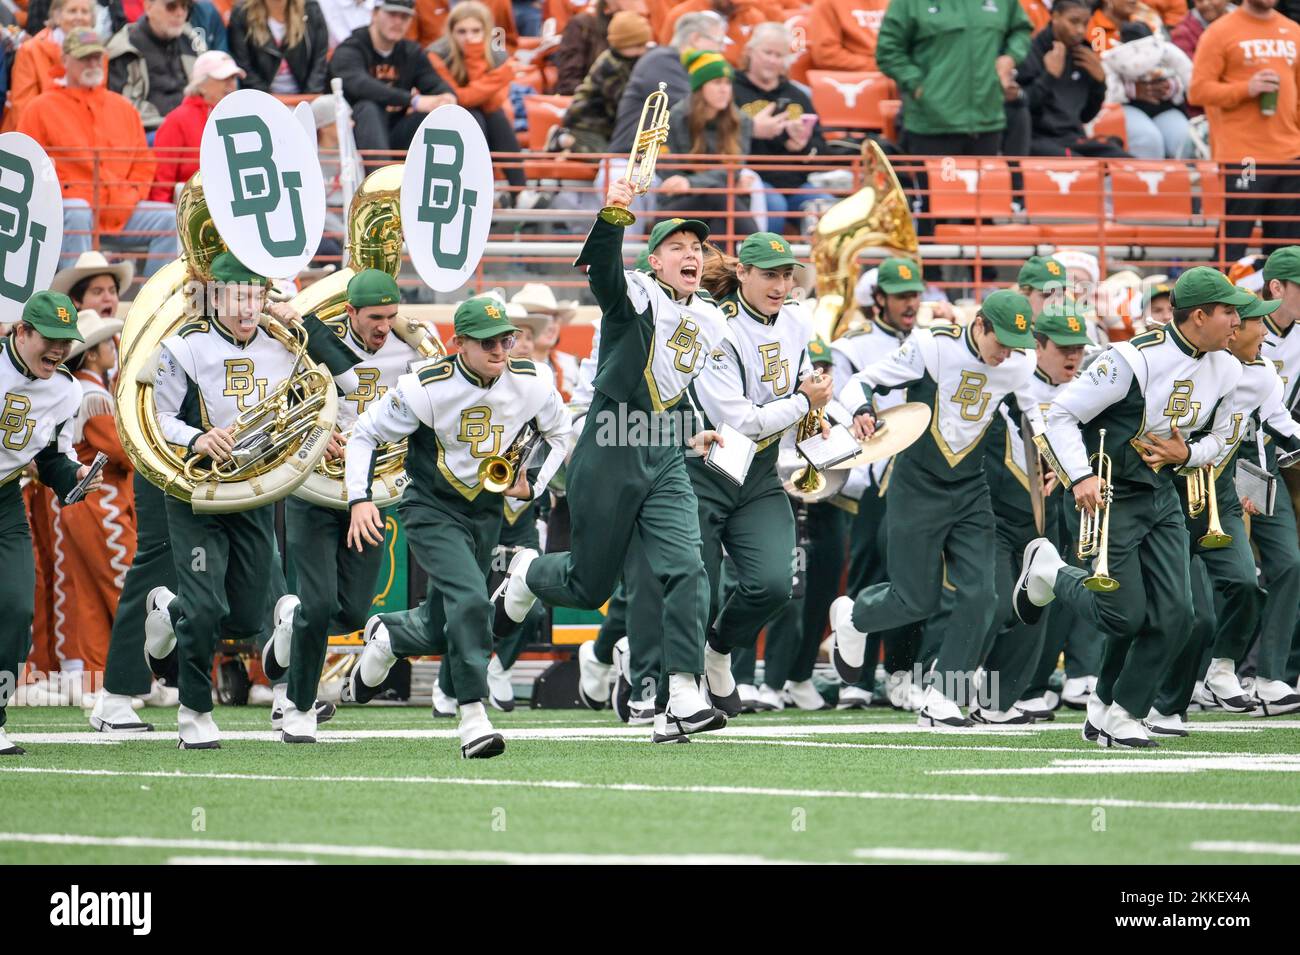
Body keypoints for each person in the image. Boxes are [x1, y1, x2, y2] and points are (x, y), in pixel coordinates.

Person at [492, 185, 732, 743]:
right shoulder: (640, 294)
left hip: (665, 452)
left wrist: (691, 429)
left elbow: (677, 383)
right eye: (677, 245)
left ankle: (684, 692)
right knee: (587, 583)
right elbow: (603, 272)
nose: (691, 253)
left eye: (697, 244)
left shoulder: (713, 319)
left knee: (687, 568)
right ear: (655, 260)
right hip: (609, 444)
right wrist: (614, 212)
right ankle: (526, 574)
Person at [1019, 267, 1247, 748]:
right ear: (1200, 316)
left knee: (1178, 616)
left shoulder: (1226, 366)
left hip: (1164, 493)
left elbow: (1226, 437)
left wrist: (1189, 454)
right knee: (1125, 616)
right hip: (1110, 493)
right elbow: (1060, 414)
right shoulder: (1130, 358)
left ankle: (1120, 713)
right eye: (1228, 311)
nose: (1237, 321)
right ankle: (1048, 570)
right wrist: (1080, 475)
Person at [141, 252, 353, 749]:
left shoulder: (285, 342)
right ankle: (194, 715)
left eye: (255, 296)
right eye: (237, 297)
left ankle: (166, 611)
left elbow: (343, 384)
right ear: (215, 297)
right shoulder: (183, 347)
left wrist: (303, 322)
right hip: (198, 493)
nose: (246, 308)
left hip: (255, 492)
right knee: (206, 606)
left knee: (242, 616)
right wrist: (196, 439)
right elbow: (156, 417)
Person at [344, 296, 570, 758]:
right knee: (471, 600)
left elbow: (560, 431)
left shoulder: (529, 381)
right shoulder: (424, 387)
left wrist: (534, 483)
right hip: (431, 509)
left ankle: (388, 638)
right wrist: (359, 500)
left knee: (441, 622)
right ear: (458, 343)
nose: (499, 350)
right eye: (487, 342)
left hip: (486, 511)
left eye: (505, 339)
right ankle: (472, 717)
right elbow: (364, 433)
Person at [829, 290, 1038, 729]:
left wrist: (1054, 465)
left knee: (984, 596)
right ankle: (853, 616)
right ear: (979, 325)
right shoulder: (932, 344)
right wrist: (863, 409)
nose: (1005, 355)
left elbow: (1033, 423)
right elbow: (860, 382)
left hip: (970, 488)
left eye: (1014, 346)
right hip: (916, 484)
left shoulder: (1019, 363)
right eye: (1000, 342)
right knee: (915, 599)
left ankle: (943, 698)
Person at [258, 270, 423, 743]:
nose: (384, 327)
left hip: (368, 494)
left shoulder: (409, 351)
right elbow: (279, 405)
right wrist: (318, 432)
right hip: (316, 489)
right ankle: (299, 706)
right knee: (320, 600)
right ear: (350, 312)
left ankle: (290, 627)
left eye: (391, 317)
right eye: (375, 317)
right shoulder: (312, 344)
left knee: (350, 612)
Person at [685, 233, 828, 715]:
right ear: (742, 274)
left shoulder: (797, 321)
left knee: (773, 584)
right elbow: (740, 420)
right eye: (770, 274)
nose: (782, 284)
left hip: (760, 473)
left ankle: (718, 652)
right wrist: (805, 402)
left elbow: (807, 380)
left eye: (787, 274)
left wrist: (838, 411)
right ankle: (664, 686)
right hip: (705, 468)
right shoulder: (716, 327)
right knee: (693, 587)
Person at [1147, 290, 1300, 734]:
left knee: (1246, 584)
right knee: (1194, 611)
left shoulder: (1262, 373)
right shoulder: (1189, 364)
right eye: (1253, 323)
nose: (1261, 333)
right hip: (1168, 492)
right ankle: (1165, 704)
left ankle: (1222, 670)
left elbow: (1277, 427)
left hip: (1219, 493)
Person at [968, 299, 1091, 725]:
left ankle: (1005, 698)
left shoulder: (1092, 386)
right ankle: (944, 686)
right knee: (993, 601)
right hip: (998, 507)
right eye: (1063, 347)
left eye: (1079, 347)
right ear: (1037, 347)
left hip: (1057, 510)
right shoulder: (1011, 380)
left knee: (1038, 603)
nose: (1074, 355)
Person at [0, 291, 104, 757]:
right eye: (51, 338)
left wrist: (75, 477)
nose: (60, 349)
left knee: (16, 607)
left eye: (67, 340)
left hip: (5, 498)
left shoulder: (67, 389)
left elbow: (49, 457)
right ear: (22, 332)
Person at [830, 258, 923, 711]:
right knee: (868, 572)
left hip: (918, 477)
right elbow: (837, 403)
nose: (912, 304)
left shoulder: (928, 342)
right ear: (879, 299)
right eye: (902, 296)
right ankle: (856, 677)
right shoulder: (854, 346)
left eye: (916, 295)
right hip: (870, 475)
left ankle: (902, 674)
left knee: (913, 575)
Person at [20, 29, 179, 278]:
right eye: (85, 58)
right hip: (71, 213)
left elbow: (144, 162)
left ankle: (152, 303)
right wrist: (66, 194)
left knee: (169, 219)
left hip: (121, 209)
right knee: (78, 211)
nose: (93, 63)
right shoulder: (39, 108)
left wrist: (130, 194)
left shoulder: (123, 108)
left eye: (97, 57)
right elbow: (28, 167)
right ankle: (79, 303)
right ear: (65, 61)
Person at [51, 307, 135, 697]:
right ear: (92, 352)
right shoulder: (93, 395)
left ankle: (91, 674)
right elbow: (122, 452)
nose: (114, 347)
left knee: (84, 590)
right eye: (107, 342)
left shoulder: (77, 390)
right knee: (125, 587)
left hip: (80, 501)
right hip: (103, 504)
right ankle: (138, 675)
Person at [1189, 0, 1300, 262]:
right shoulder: (1220, 31)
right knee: (1233, 244)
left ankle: (1279, 304)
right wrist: (1245, 89)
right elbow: (1197, 90)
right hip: (1243, 156)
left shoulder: (1293, 30)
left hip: (1289, 153)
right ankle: (1217, 301)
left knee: (1286, 254)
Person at [875, 0, 1032, 155]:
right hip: (931, 126)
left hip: (988, 121)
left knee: (982, 180)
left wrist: (1011, 57)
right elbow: (888, 50)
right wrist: (918, 86)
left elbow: (1021, 30)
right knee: (934, 181)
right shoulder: (909, 3)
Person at [733, 23, 830, 232]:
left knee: (827, 206)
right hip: (754, 180)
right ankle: (765, 264)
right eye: (767, 52)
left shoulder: (798, 95)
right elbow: (716, 136)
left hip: (796, 184)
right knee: (774, 206)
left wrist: (803, 146)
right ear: (750, 51)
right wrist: (751, 129)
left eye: (779, 56)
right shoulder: (731, 89)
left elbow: (822, 149)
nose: (772, 60)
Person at [426, 1, 526, 203]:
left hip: (484, 118)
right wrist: (500, 76)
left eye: (476, 31)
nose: (469, 37)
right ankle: (481, 190)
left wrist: (474, 55)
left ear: (487, 31)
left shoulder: (496, 55)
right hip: (439, 119)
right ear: (451, 32)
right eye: (461, 31)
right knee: (474, 115)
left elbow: (491, 104)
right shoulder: (436, 54)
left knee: (494, 115)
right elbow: (458, 98)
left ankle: (520, 192)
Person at [329, 0, 457, 153]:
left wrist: (446, 98)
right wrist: (413, 101)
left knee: (433, 115)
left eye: (404, 17)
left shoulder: (411, 52)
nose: (398, 22)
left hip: (397, 129)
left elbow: (434, 83)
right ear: (374, 14)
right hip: (355, 134)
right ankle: (381, 176)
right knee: (368, 108)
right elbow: (361, 85)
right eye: (392, 14)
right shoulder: (351, 48)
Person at [658, 50, 758, 241]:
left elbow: (734, 168)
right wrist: (722, 180)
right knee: (720, 195)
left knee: (719, 211)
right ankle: (759, 246)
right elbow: (670, 173)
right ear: (700, 87)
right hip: (679, 205)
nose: (724, 90)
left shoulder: (740, 120)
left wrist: (693, 182)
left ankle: (717, 269)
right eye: (717, 83)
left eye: (728, 83)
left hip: (723, 204)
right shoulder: (677, 117)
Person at [1017, 0, 1127, 156]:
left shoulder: (1084, 54)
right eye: (1073, 21)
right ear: (1055, 16)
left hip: (1074, 139)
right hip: (1036, 140)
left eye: (1085, 23)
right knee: (1086, 169)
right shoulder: (1029, 51)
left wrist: (1099, 83)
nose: (1080, 30)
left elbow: (1086, 115)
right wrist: (1049, 77)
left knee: (1126, 164)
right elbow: (1020, 106)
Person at [608, 9, 724, 155]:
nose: (721, 50)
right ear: (695, 38)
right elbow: (697, 108)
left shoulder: (690, 68)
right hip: (630, 163)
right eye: (718, 42)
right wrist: (749, 125)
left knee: (748, 176)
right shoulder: (661, 61)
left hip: (668, 164)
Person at [149, 49, 244, 203]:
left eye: (233, 78)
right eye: (224, 78)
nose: (231, 84)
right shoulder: (177, 120)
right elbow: (162, 182)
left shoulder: (240, 117)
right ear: (201, 85)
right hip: (192, 211)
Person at [555, 10, 651, 153]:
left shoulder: (635, 59)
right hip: (587, 123)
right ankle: (564, 140)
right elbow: (622, 104)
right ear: (621, 44)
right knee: (609, 158)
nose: (642, 51)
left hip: (607, 124)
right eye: (637, 46)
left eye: (644, 45)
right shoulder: (609, 66)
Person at [106, 0, 208, 132]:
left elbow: (208, 87)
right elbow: (124, 107)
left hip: (194, 126)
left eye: (185, 6)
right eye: (171, 6)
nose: (180, 13)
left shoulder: (191, 40)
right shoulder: (125, 47)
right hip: (148, 132)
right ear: (148, 7)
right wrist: (174, 125)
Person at [1103, 23, 1193, 159]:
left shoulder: (1167, 51)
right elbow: (1106, 91)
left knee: (1185, 139)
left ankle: (1185, 179)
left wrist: (1172, 86)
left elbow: (1191, 80)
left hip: (1165, 107)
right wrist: (1131, 90)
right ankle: (1147, 180)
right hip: (1128, 107)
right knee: (1148, 140)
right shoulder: (1112, 57)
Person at [3, 0, 95, 129]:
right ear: (57, 16)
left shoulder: (98, 54)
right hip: (38, 135)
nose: (79, 17)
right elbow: (22, 109)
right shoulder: (31, 50)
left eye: (85, 12)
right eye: (72, 11)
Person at [227, 0, 330, 94]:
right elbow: (243, 66)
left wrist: (308, 97)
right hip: (263, 99)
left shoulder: (310, 8)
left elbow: (320, 60)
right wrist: (269, 100)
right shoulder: (241, 13)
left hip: (305, 97)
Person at [554, 0, 645, 95]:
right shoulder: (582, 25)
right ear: (608, 7)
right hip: (593, 100)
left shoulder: (638, 25)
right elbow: (569, 81)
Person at [657, 0, 781, 68]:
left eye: (740, 4)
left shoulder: (753, 17)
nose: (735, 5)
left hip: (739, 85)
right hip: (691, 80)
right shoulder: (681, 15)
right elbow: (668, 59)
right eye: (731, 2)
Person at [807, 0, 889, 72]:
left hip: (891, 70)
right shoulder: (826, 3)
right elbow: (826, 55)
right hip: (861, 77)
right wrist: (881, 66)